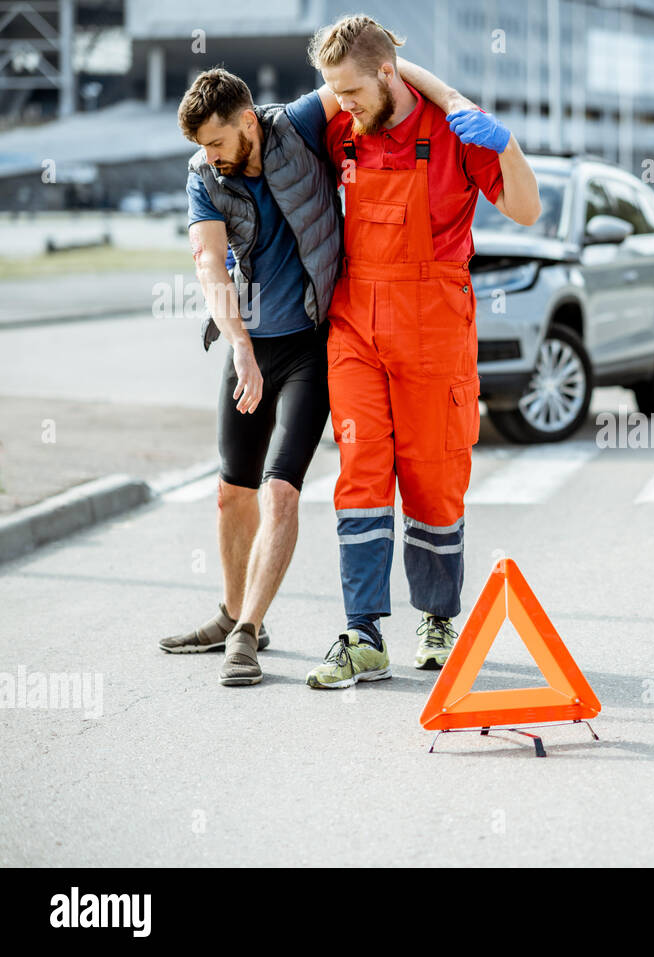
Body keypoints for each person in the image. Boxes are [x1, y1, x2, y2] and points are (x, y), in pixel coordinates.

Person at [161, 60, 476, 686]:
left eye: (219, 141)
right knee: (233, 491)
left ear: (248, 120)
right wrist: (241, 351)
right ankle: (231, 613)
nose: (212, 156)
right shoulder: (204, 174)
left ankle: (248, 632)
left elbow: (367, 71)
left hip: (311, 342)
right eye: (202, 147)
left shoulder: (298, 124)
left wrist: (449, 97)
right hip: (248, 344)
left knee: (282, 488)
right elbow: (209, 267)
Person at [301, 14, 541, 690]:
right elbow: (283, 126)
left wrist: (507, 144)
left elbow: (526, 209)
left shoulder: (453, 132)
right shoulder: (341, 126)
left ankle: (437, 619)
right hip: (356, 323)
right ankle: (363, 633)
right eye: (333, 95)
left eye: (349, 91)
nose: (341, 106)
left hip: (434, 326)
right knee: (361, 473)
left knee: (433, 477)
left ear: (386, 74)